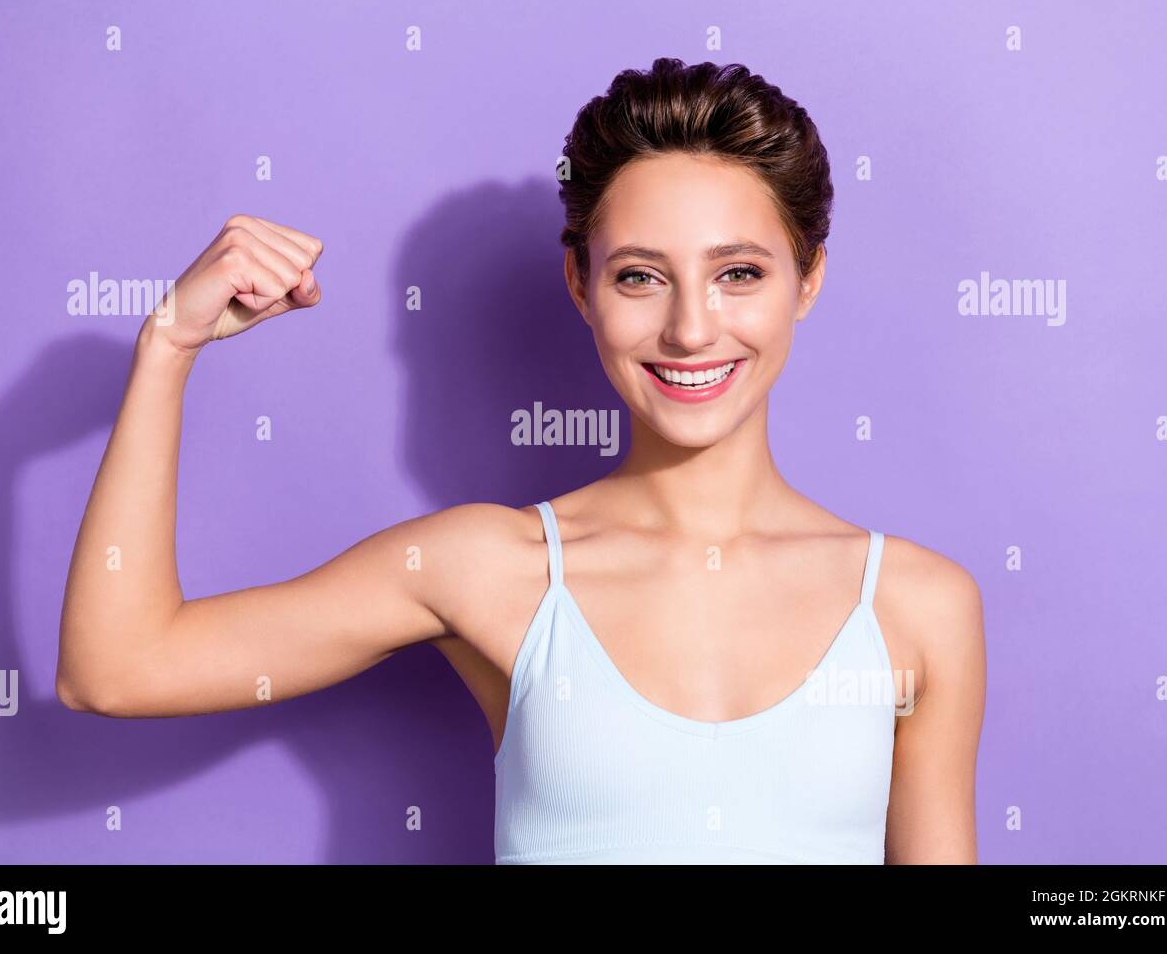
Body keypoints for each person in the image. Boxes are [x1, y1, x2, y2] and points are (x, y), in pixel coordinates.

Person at [58, 57, 986, 864]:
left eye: (739, 273)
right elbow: (117, 669)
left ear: (808, 279)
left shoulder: (917, 607)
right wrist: (168, 347)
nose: (692, 327)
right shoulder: (485, 569)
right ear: (580, 284)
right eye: (639, 275)